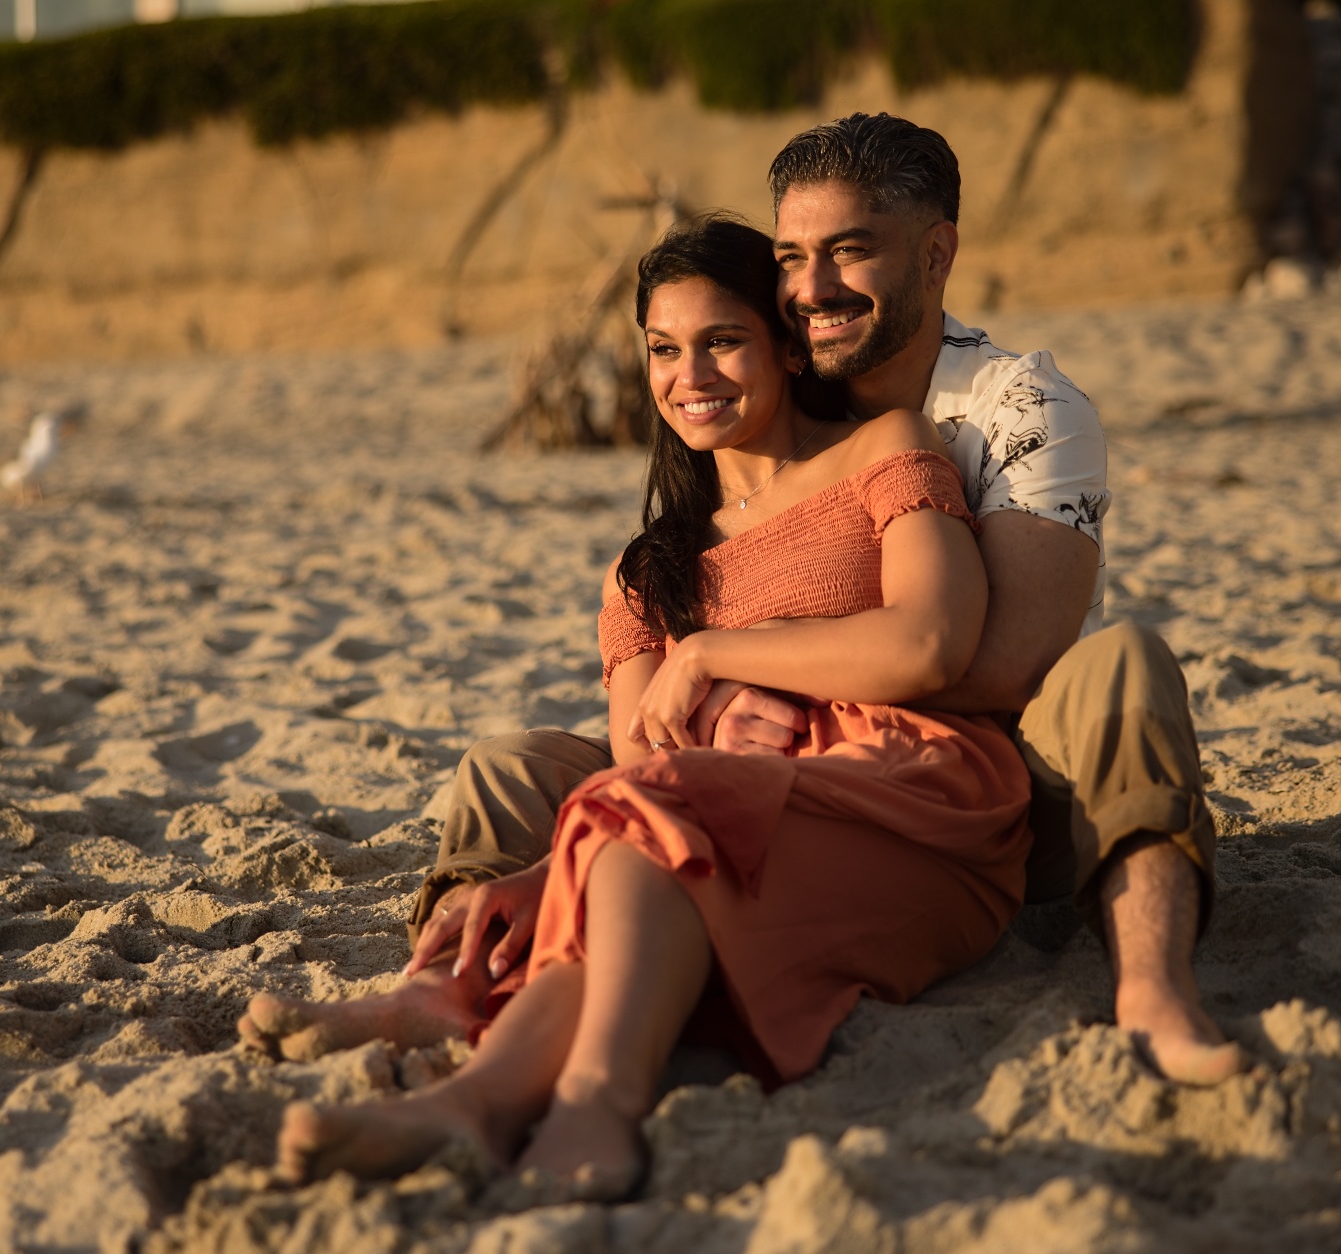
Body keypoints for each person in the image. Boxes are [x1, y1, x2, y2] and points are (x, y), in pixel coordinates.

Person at [240, 113, 1246, 1088]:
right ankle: (442, 979)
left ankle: (1152, 986)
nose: (811, 288)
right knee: (513, 766)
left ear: (934, 255)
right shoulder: (720, 492)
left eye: (849, 251)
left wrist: (733, 672)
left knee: (1124, 662)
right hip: (753, 761)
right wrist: (713, 723)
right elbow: (645, 735)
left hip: (977, 771)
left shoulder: (1013, 410)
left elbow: (990, 665)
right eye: (791, 256)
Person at [272, 215, 1032, 1195]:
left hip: (914, 798)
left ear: (786, 344)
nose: (691, 375)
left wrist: (720, 652)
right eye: (663, 351)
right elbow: (636, 774)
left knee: (656, 818)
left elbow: (932, 641)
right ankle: (475, 1093)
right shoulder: (646, 577)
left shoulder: (881, 450)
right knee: (635, 831)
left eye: (721, 340)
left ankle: (589, 1102)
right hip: (731, 821)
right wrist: (557, 869)